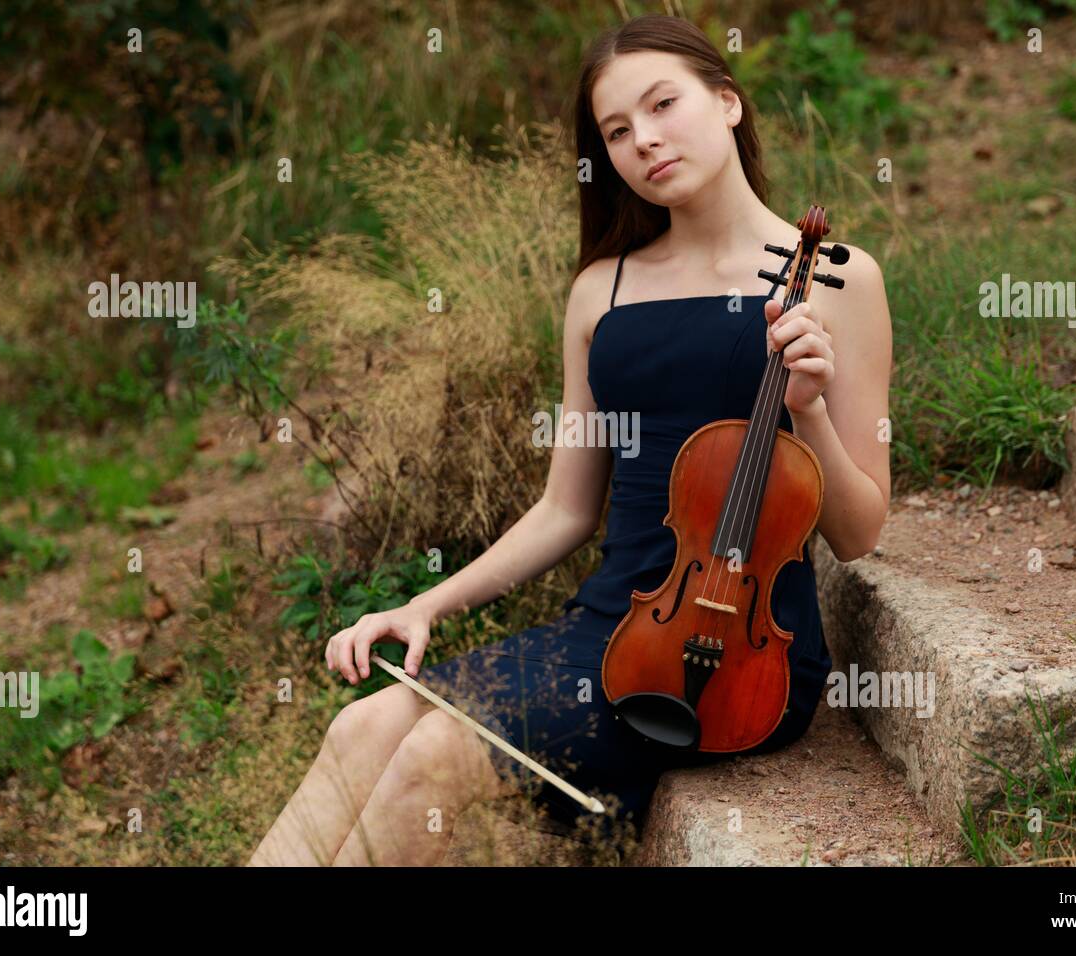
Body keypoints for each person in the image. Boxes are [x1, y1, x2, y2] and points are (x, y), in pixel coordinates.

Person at [249, 14, 891, 867]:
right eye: (617, 131)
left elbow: (859, 530)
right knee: (360, 725)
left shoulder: (841, 277)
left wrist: (807, 408)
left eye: (663, 105)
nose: (645, 141)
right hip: (607, 625)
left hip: (734, 661)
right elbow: (564, 508)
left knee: (433, 761)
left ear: (728, 102)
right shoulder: (602, 289)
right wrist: (426, 604)